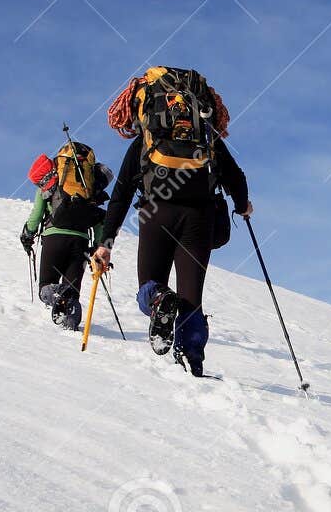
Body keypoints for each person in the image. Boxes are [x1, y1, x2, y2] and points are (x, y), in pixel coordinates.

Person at [91, 68, 251, 377]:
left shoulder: (145, 143)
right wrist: (243, 206)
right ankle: (193, 359)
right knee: (192, 297)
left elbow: (121, 195)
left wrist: (105, 243)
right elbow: (236, 177)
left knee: (148, 288)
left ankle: (159, 299)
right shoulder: (206, 139)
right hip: (199, 218)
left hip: (156, 214)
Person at [21, 144, 112, 331]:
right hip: (80, 243)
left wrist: (27, 235)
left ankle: (59, 295)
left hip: (54, 238)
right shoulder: (89, 187)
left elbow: (37, 214)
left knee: (46, 288)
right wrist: (97, 246)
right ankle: (70, 327)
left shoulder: (49, 184)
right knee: (72, 293)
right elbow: (97, 222)